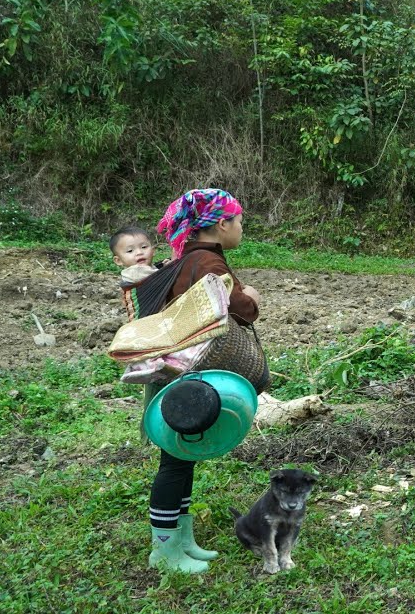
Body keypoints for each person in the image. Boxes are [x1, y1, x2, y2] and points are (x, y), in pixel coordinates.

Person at [143, 188, 262, 574]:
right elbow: (239, 309)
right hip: (186, 378)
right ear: (222, 224)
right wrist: (252, 296)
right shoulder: (209, 262)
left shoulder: (187, 259)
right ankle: (164, 551)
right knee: (175, 463)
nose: (242, 227)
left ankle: (182, 540)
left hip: (177, 373)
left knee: (184, 457)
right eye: (239, 221)